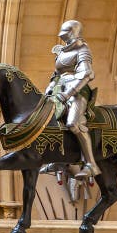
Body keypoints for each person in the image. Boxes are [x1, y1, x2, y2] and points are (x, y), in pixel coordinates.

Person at [45, 20, 100, 179]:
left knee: (73, 123)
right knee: (50, 121)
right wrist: (48, 91)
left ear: (71, 32)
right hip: (58, 90)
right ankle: (61, 160)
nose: (62, 36)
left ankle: (91, 164)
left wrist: (68, 93)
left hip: (78, 92)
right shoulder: (62, 52)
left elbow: (86, 74)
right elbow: (56, 75)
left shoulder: (82, 49)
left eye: (65, 33)